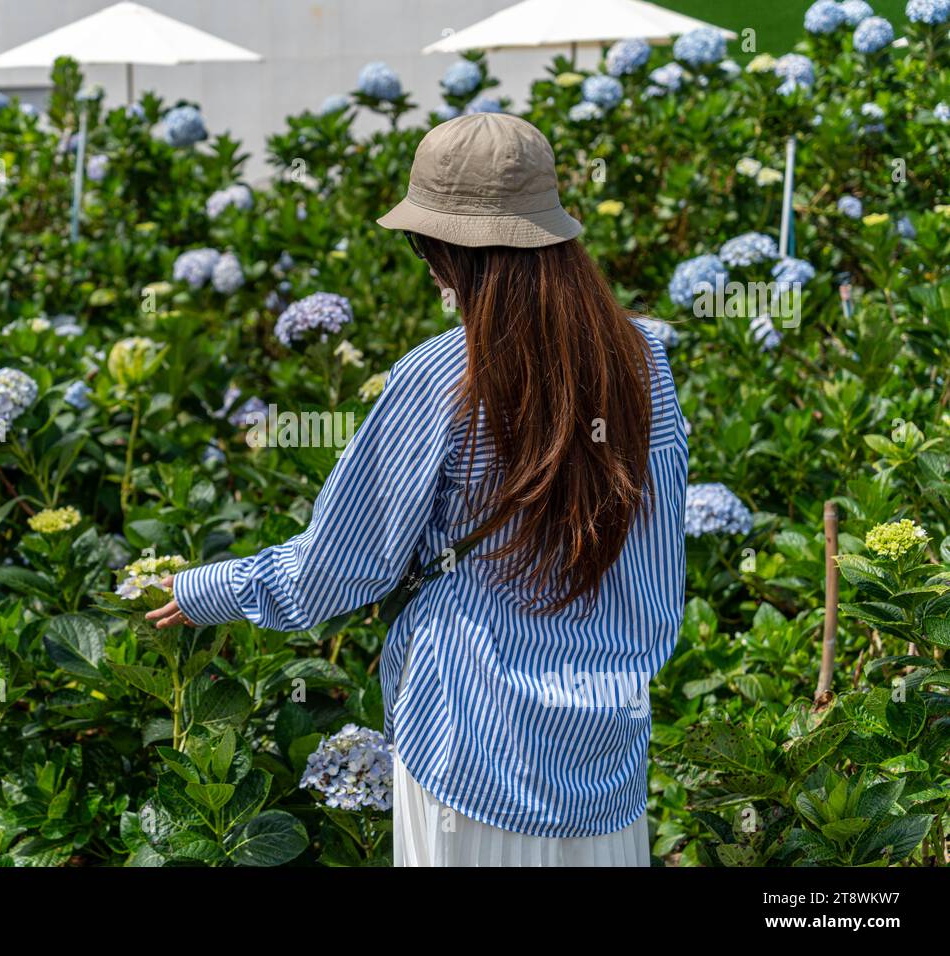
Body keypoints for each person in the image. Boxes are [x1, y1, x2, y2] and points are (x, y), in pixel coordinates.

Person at [148, 113, 688, 867]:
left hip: (471, 744)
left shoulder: (441, 379)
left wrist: (211, 588)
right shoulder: (643, 364)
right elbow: (659, 561)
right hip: (606, 757)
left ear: (444, 251)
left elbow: (339, 566)